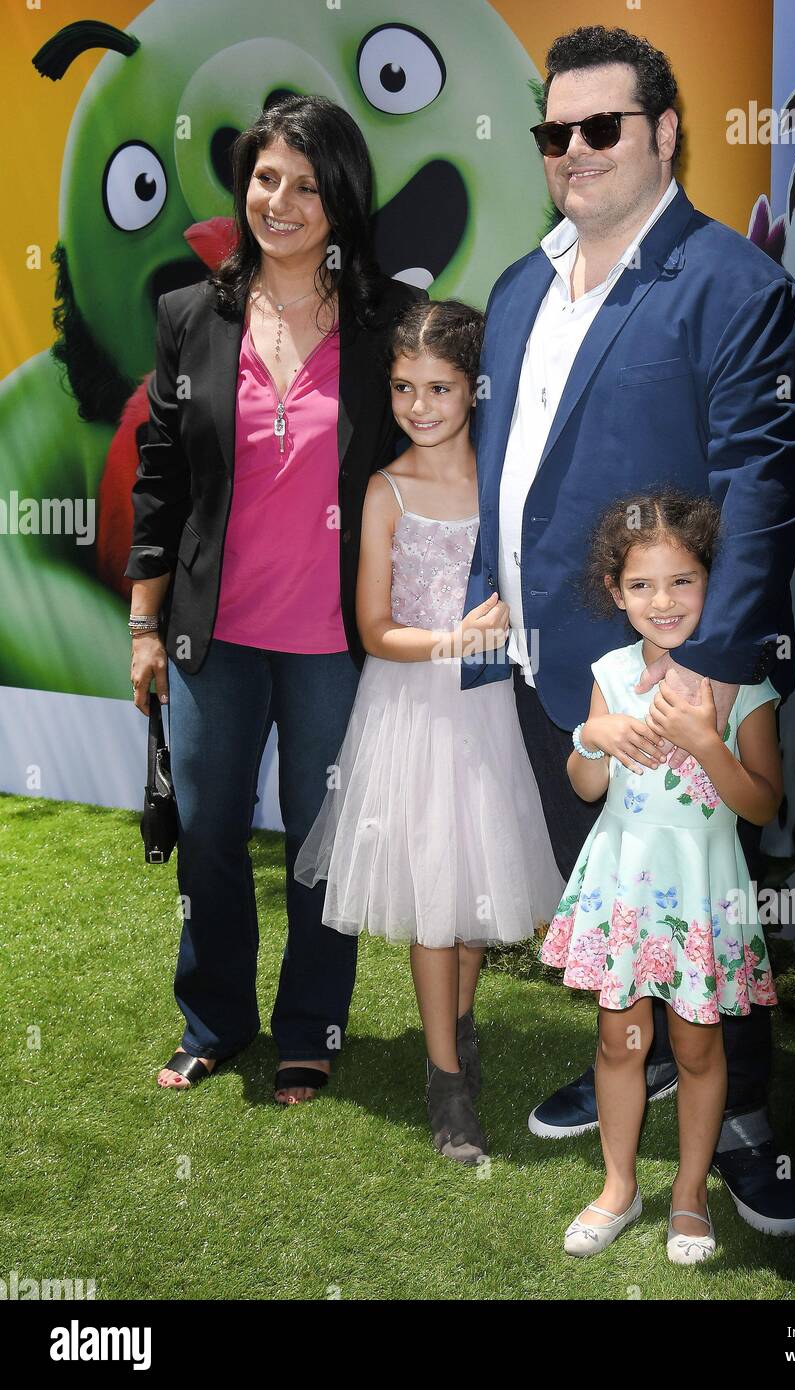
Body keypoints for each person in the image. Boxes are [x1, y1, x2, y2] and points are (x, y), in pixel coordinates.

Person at [460, 25, 795, 1233]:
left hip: (682, 688)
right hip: (555, 674)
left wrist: (713, 673)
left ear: (665, 133)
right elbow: (508, 463)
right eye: (553, 132)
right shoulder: (521, 285)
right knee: (615, 888)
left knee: (708, 902)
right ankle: (643, 1052)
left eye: (600, 126)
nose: (573, 150)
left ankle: (748, 1121)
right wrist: (487, 584)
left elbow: (769, 479)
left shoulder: (734, 286)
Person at [126, 95, 422, 1104]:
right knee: (207, 833)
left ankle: (311, 1027)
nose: (280, 201)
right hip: (214, 636)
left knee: (319, 843)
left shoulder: (389, 329)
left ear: (339, 200)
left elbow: (421, 474)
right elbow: (158, 483)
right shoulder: (188, 319)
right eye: (264, 178)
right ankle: (213, 1020)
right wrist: (142, 623)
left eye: (304, 183)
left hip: (335, 643)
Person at [294, 300, 564, 1162]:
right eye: (405, 387)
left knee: (474, 890)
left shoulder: (503, 481)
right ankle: (445, 1081)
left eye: (439, 387)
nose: (419, 405)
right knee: (434, 903)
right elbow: (373, 628)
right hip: (411, 707)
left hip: (486, 712)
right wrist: (452, 640)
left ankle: (458, 1024)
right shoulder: (386, 490)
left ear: (473, 388)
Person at [541, 489, 782, 1260]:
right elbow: (584, 786)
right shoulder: (610, 672)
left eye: (683, 580)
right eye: (642, 585)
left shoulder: (742, 679)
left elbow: (762, 806)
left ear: (713, 580)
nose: (663, 600)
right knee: (620, 1044)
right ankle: (619, 1185)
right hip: (626, 889)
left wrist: (710, 745)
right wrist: (591, 732)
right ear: (616, 593)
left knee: (700, 1048)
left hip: (703, 894)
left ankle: (688, 1194)